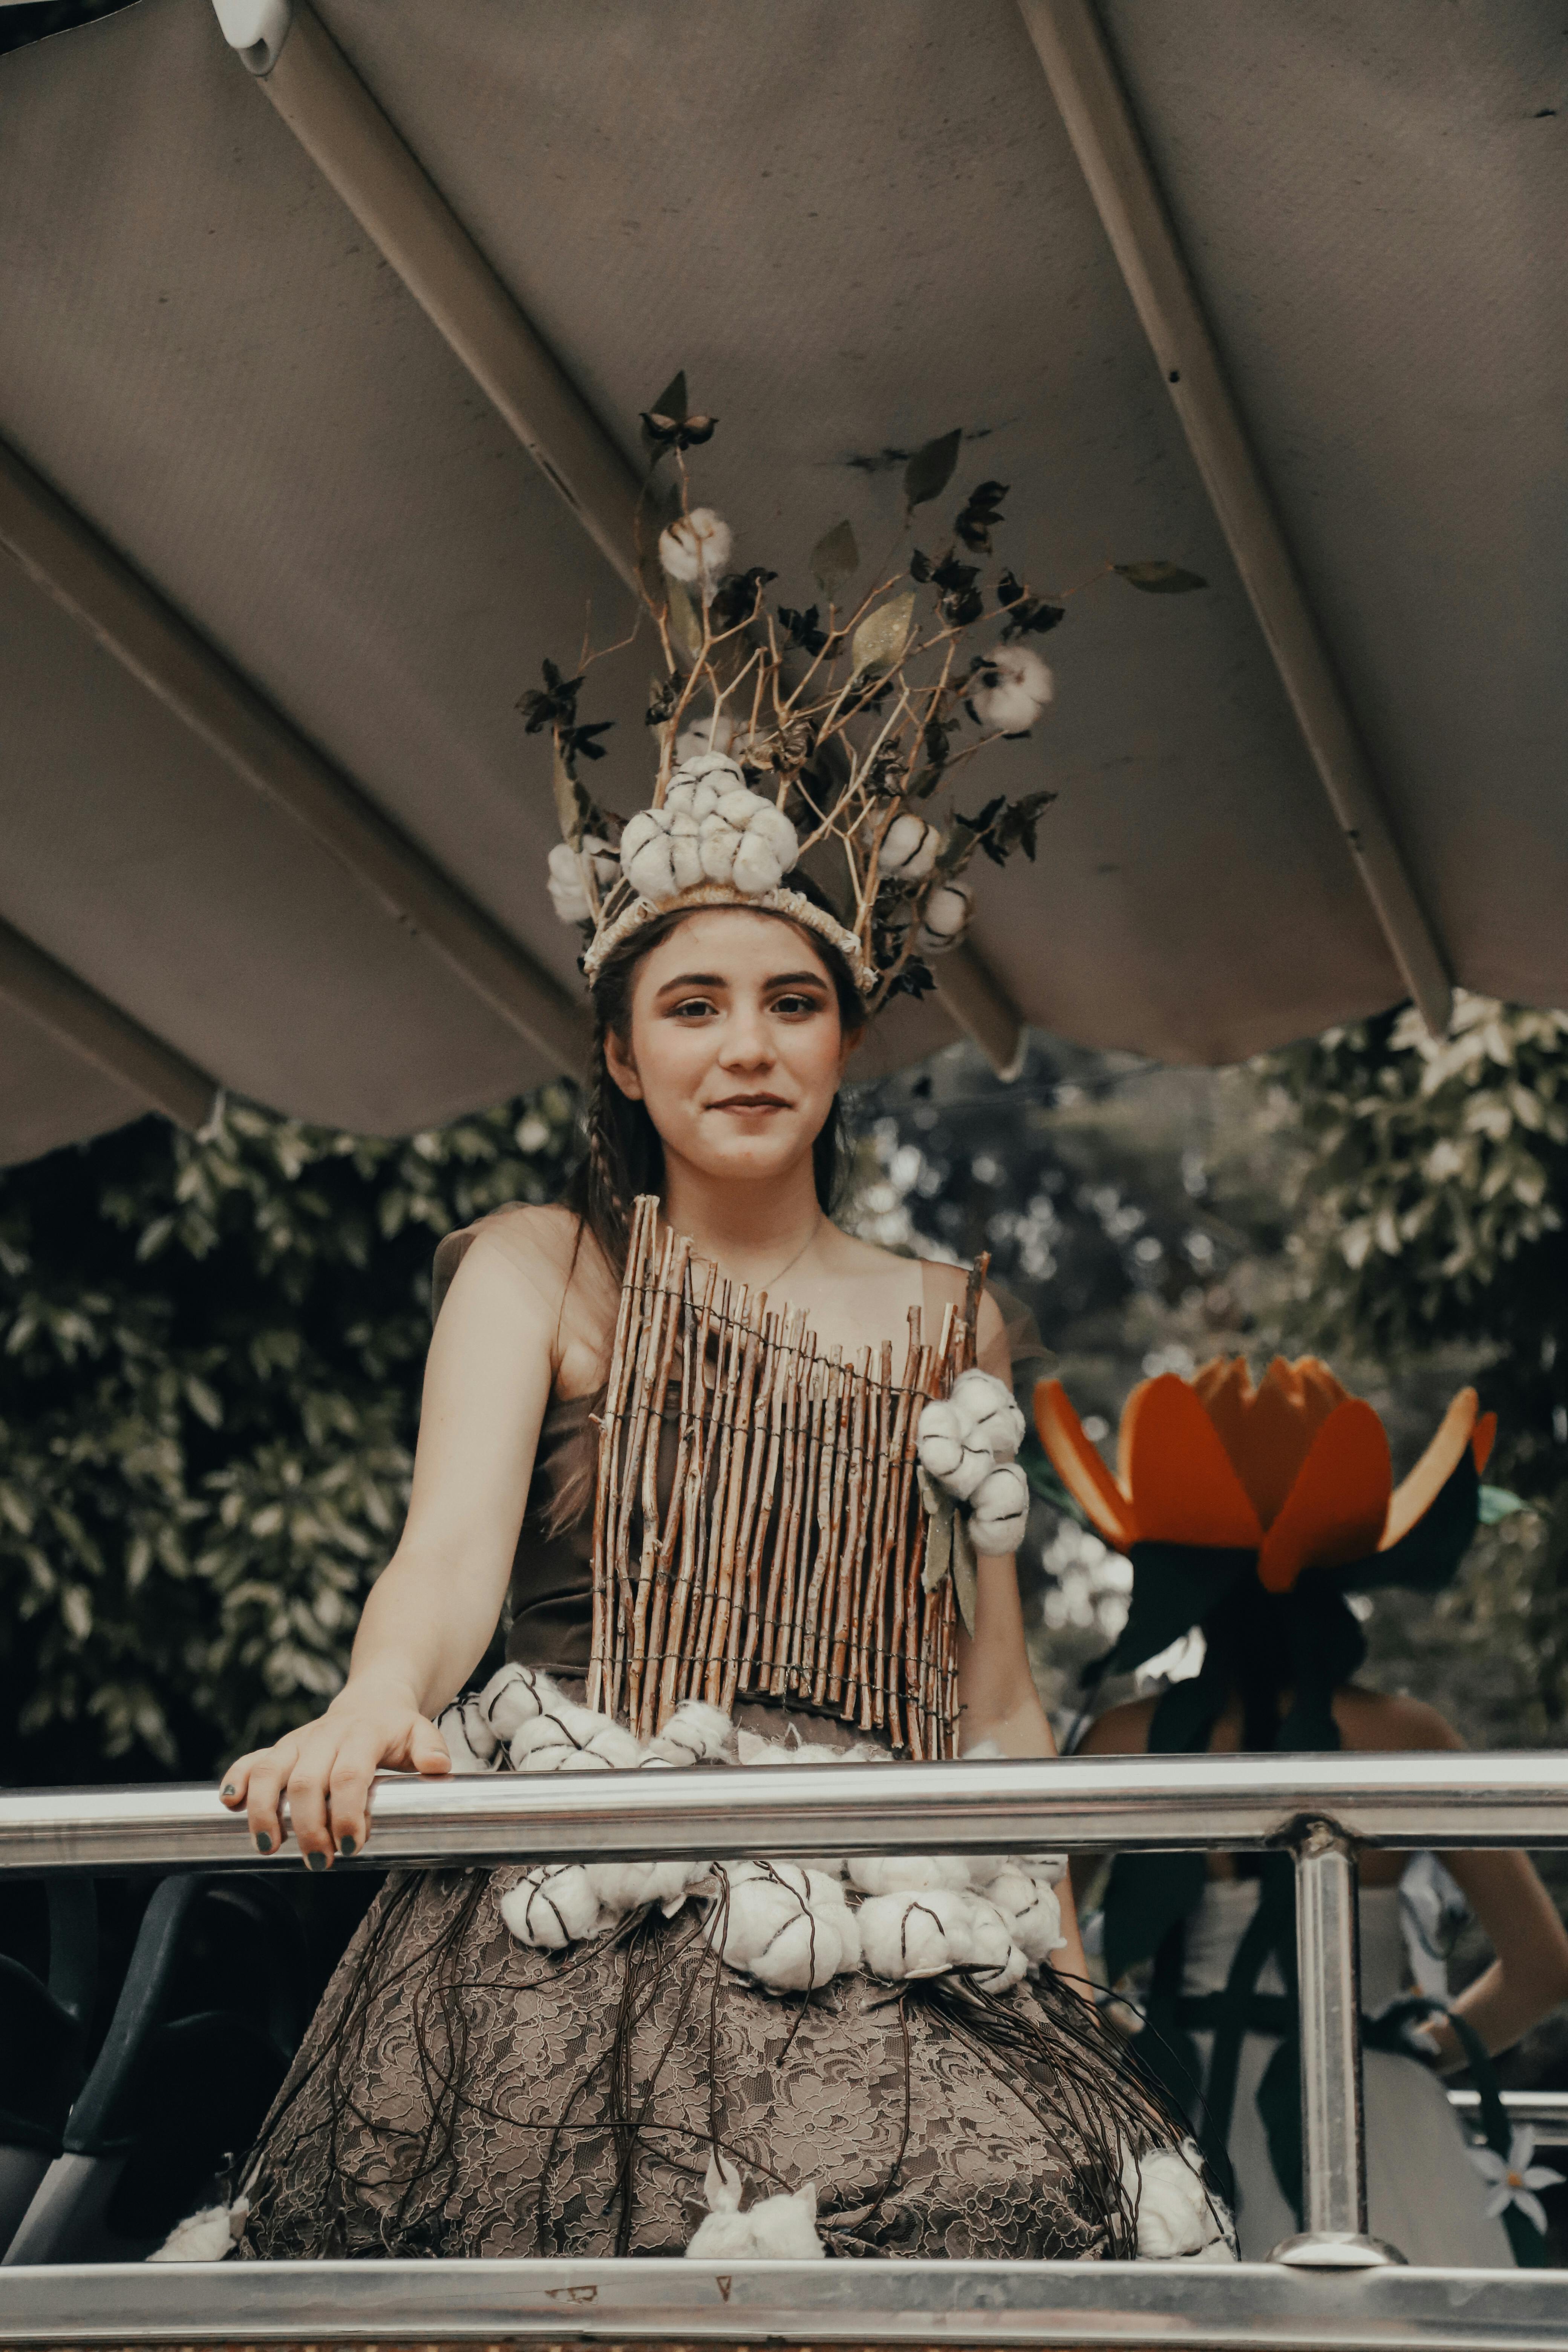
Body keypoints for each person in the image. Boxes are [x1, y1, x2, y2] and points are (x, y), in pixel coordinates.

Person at [213, 901, 1215, 2263]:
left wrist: (1067, 1990)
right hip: (578, 1898)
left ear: (846, 1040)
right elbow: (445, 1555)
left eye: (793, 1004)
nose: (748, 1046)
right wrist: (375, 1695)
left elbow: (993, 1697)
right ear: (623, 1056)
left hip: (888, 1922)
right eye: (694, 1007)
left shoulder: (953, 1320)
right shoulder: (540, 1269)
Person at [1038, 1362, 1568, 2265]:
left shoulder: (1121, 1742)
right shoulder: (1409, 1737)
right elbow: (1543, 1968)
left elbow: (1038, 1956)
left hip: (1177, 2115)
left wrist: (1137, 2039)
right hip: (1380, 2117)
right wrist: (1407, 2053)